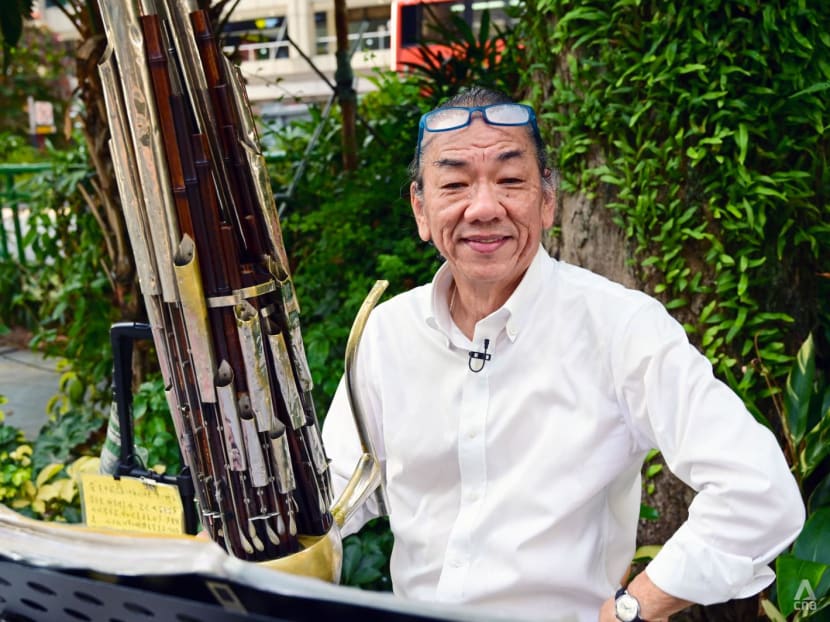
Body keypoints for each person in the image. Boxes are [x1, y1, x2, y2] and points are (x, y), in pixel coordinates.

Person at [321, 86, 804, 622]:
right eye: (454, 184)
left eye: (510, 181)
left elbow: (760, 492)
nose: (483, 208)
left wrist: (636, 608)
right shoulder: (387, 333)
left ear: (547, 199)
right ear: (421, 208)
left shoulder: (620, 327)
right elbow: (329, 504)